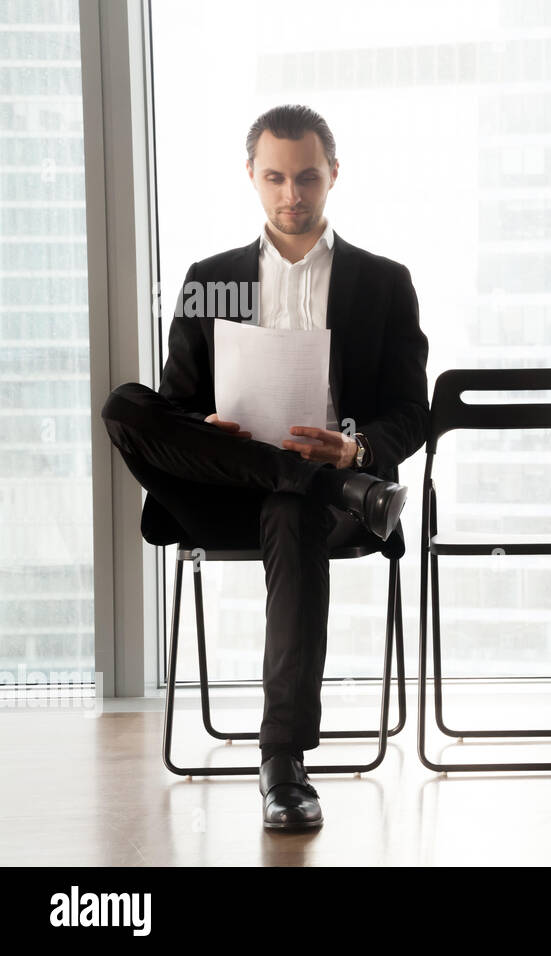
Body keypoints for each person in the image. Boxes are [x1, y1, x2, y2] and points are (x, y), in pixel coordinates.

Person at [99, 104, 429, 831]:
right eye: (275, 177)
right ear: (250, 176)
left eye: (307, 177)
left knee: (293, 503)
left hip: (322, 501)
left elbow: (413, 412)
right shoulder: (209, 278)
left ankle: (282, 763)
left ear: (333, 175)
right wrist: (205, 427)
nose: (292, 194)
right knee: (125, 404)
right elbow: (174, 407)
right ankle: (315, 479)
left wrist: (354, 451)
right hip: (222, 488)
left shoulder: (383, 282)